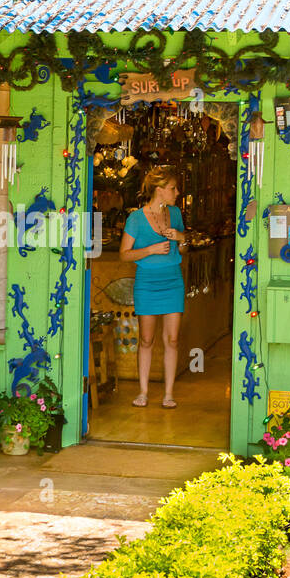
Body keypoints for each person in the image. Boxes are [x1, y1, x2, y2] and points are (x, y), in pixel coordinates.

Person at [119, 165, 189, 409]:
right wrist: (150, 249)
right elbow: (124, 255)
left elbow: (184, 248)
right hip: (147, 283)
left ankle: (168, 394)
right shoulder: (136, 218)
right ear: (159, 190)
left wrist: (181, 238)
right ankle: (143, 391)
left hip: (173, 281)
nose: (177, 192)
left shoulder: (175, 213)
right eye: (172, 188)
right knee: (146, 340)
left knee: (172, 340)